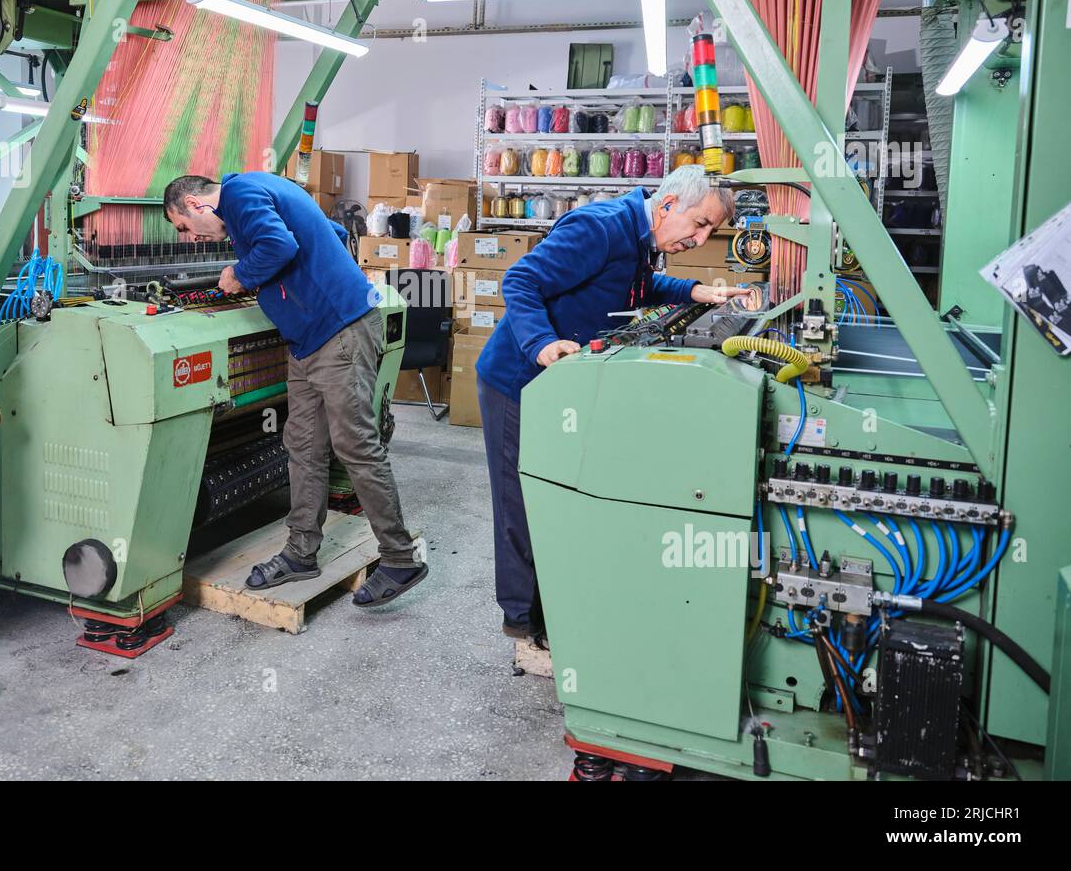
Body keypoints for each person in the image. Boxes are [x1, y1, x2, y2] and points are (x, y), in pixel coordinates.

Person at [474, 165, 746, 639]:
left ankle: (558, 598)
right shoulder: (599, 228)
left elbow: (635, 287)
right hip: (517, 380)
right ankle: (522, 617)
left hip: (561, 384)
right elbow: (520, 280)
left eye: (711, 231)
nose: (701, 240)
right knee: (520, 501)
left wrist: (695, 291)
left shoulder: (641, 237)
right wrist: (541, 342)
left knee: (557, 491)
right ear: (667, 206)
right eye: (700, 224)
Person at [163, 171, 427, 608]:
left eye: (184, 228)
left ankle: (400, 558)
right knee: (303, 443)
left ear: (194, 203)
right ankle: (301, 553)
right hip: (309, 340)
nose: (191, 239)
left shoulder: (240, 194)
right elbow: (333, 231)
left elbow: (280, 246)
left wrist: (241, 275)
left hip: (338, 332)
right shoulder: (255, 192)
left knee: (355, 444)